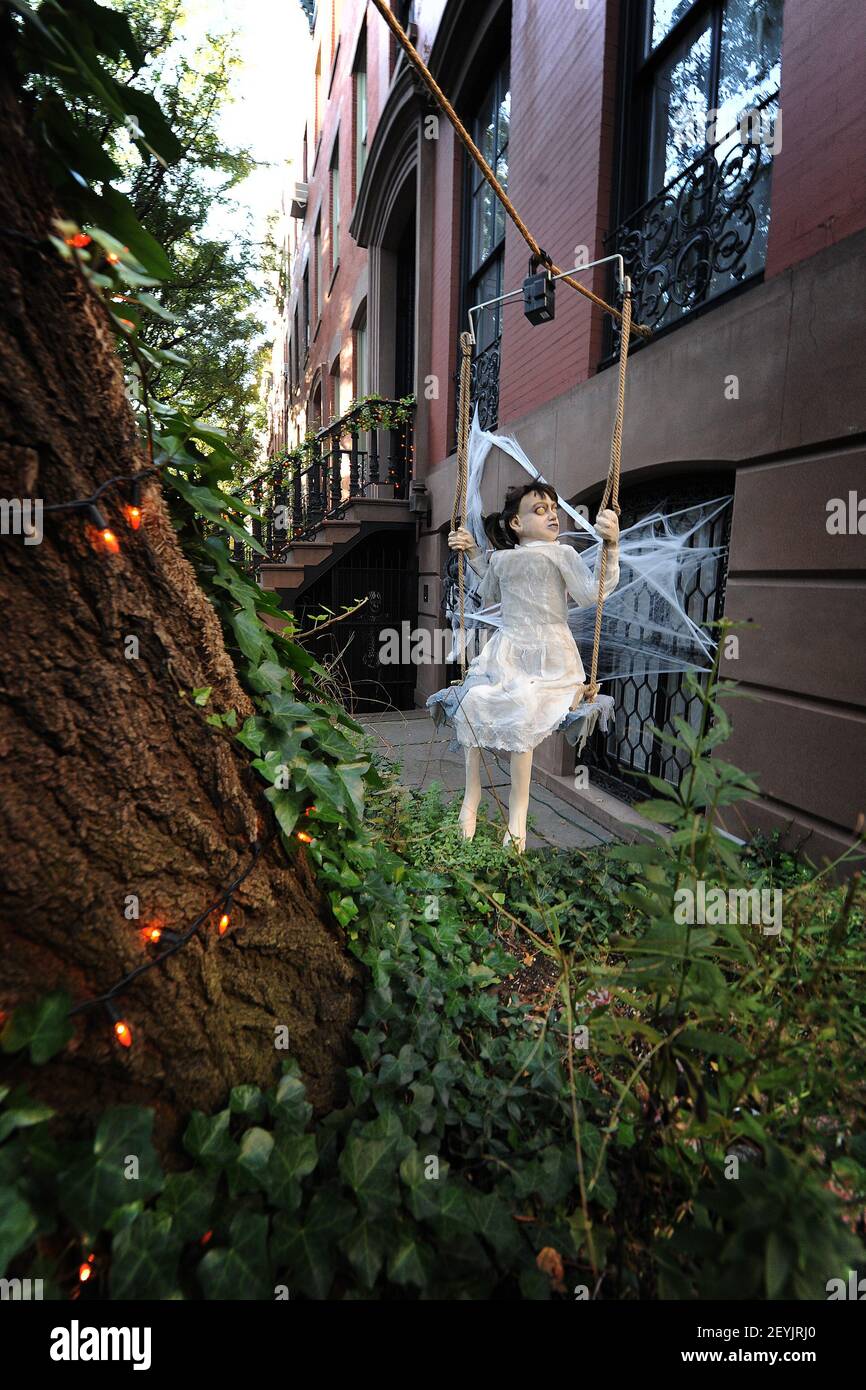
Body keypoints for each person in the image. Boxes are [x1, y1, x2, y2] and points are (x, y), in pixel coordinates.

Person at [427, 482, 620, 852]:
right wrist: (470, 554)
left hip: (549, 656)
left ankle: (518, 815)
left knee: (524, 707)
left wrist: (610, 547)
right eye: (540, 509)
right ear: (515, 523)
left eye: (553, 508)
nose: (551, 515)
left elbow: (589, 592)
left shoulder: (562, 554)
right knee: (474, 701)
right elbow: (489, 592)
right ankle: (472, 796)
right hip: (509, 651)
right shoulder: (502, 559)